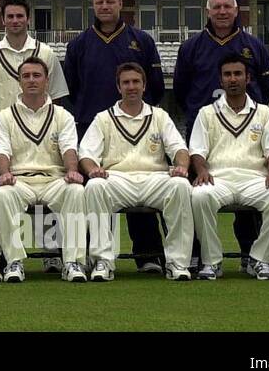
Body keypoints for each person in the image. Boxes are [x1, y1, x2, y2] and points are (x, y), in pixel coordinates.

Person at [63, 0, 165, 273]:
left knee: (139, 184)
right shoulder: (79, 43)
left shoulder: (141, 40)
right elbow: (72, 87)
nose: (105, 7)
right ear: (92, 6)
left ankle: (147, 255)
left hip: (135, 127)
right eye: (99, 3)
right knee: (92, 192)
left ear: (120, 4)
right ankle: (93, 256)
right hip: (90, 129)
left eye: (110, 1)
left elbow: (155, 87)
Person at [174, 0, 269, 270]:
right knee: (198, 193)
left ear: (235, 11)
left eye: (227, 7)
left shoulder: (253, 45)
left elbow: (266, 90)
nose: (222, 11)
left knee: (250, 195)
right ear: (208, 12)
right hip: (203, 131)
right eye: (216, 7)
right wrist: (204, 114)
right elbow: (181, 90)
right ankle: (199, 256)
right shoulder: (191, 46)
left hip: (246, 132)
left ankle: (250, 255)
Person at [79, 63, 194, 282]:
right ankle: (103, 261)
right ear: (118, 86)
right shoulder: (103, 118)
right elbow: (86, 153)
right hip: (117, 179)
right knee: (94, 186)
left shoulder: (159, 116)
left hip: (154, 179)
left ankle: (177, 262)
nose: (131, 87)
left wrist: (181, 166)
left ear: (144, 85)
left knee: (180, 185)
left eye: (136, 82)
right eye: (126, 82)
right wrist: (94, 170)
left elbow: (179, 148)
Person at [187, 54, 269, 281]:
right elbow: (197, 150)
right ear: (220, 80)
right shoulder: (207, 113)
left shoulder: (264, 113)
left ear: (248, 78)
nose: (233, 79)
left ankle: (259, 259)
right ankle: (211, 261)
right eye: (227, 75)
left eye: (237, 74)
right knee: (199, 196)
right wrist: (202, 171)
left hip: (255, 178)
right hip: (218, 178)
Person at [0, 58, 85, 283]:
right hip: (19, 180)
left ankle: (73, 261)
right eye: (26, 76)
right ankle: (14, 262)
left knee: (76, 191)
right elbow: (1, 152)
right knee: (3, 194)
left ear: (47, 80)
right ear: (19, 81)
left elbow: (69, 149)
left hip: (54, 179)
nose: (31, 80)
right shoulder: (5, 116)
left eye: (37, 75)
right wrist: (4, 173)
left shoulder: (62, 115)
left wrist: (72, 171)